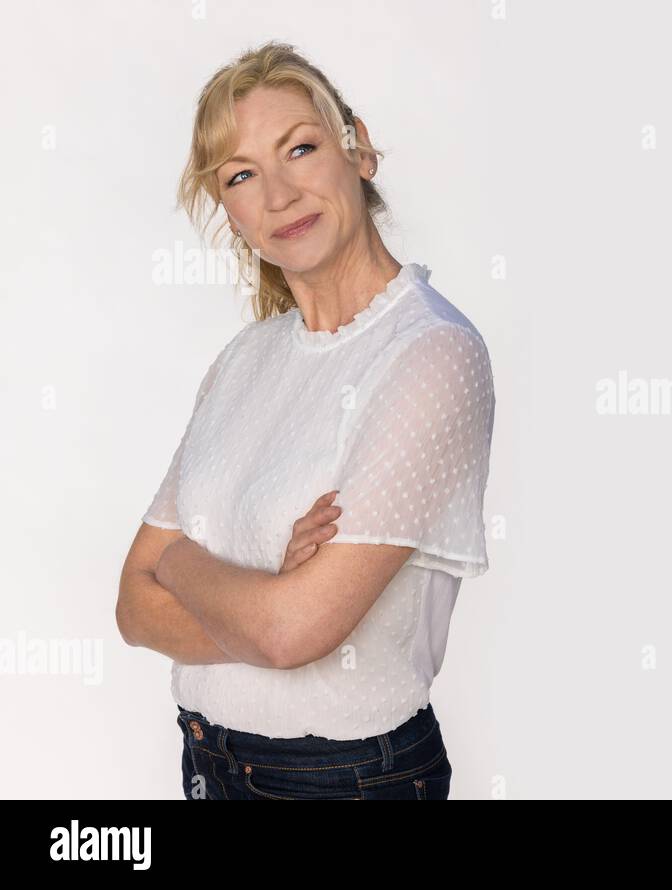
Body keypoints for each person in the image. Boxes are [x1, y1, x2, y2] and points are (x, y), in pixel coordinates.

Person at [115, 40, 496, 800]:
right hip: (207, 762)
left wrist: (185, 564)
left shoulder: (431, 353)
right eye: (244, 175)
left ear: (357, 149)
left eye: (300, 148)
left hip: (340, 779)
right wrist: (260, 596)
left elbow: (292, 633)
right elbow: (132, 604)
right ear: (231, 212)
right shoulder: (243, 360)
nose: (280, 195)